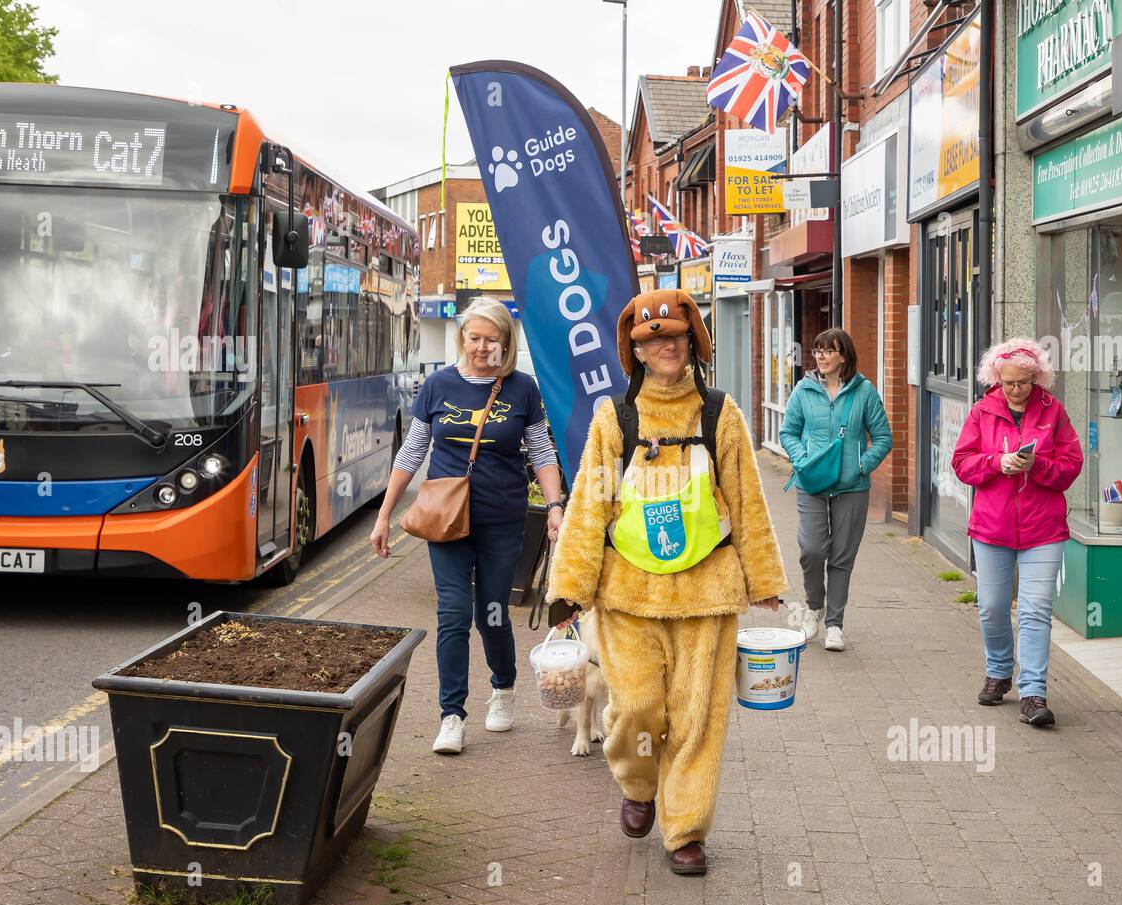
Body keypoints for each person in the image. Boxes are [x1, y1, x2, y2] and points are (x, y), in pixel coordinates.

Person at [547, 289, 787, 875]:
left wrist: (764, 578)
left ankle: (685, 829)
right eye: (652, 340)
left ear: (692, 342)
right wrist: (568, 589)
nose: (665, 347)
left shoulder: (721, 414)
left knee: (697, 719)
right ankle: (637, 783)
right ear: (637, 351)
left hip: (707, 594)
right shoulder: (615, 418)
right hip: (627, 595)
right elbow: (588, 506)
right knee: (635, 711)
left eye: (674, 336)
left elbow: (748, 502)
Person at [370, 296, 565, 754]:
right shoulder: (437, 385)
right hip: (446, 519)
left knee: (491, 613)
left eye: (491, 340)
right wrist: (384, 516)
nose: (481, 347)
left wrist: (554, 506)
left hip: (502, 518)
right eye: (474, 337)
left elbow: (540, 452)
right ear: (462, 338)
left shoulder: (522, 390)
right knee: (453, 615)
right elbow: (412, 453)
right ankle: (451, 715)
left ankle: (503, 686)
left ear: (505, 344)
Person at [952, 338, 1083, 728]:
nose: (1016, 390)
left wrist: (1034, 466)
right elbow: (962, 463)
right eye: (1009, 383)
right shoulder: (982, 411)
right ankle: (998, 671)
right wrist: (998, 462)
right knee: (991, 607)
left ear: (1037, 378)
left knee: (1035, 610)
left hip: (1043, 528)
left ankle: (1032, 692)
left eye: (1024, 383)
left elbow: (1070, 467)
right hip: (991, 528)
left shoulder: (1052, 412)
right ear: (996, 378)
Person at [779, 328, 892, 651]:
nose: (822, 356)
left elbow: (883, 438)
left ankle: (835, 625)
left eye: (829, 351)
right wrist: (802, 460)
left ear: (844, 355)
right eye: (817, 351)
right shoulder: (804, 390)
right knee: (812, 549)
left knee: (842, 556)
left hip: (851, 487)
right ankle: (814, 606)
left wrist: (860, 466)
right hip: (811, 482)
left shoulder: (864, 392)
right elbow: (789, 432)